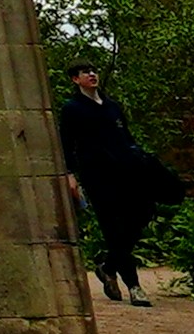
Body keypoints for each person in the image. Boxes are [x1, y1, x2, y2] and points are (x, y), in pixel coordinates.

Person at [56, 63, 174, 304]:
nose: (92, 74)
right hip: (97, 175)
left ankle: (109, 267)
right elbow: (66, 144)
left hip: (127, 171)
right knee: (112, 227)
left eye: (93, 71)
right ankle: (134, 286)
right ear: (75, 80)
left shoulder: (112, 107)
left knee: (142, 214)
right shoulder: (72, 109)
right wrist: (69, 174)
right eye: (85, 72)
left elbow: (126, 138)